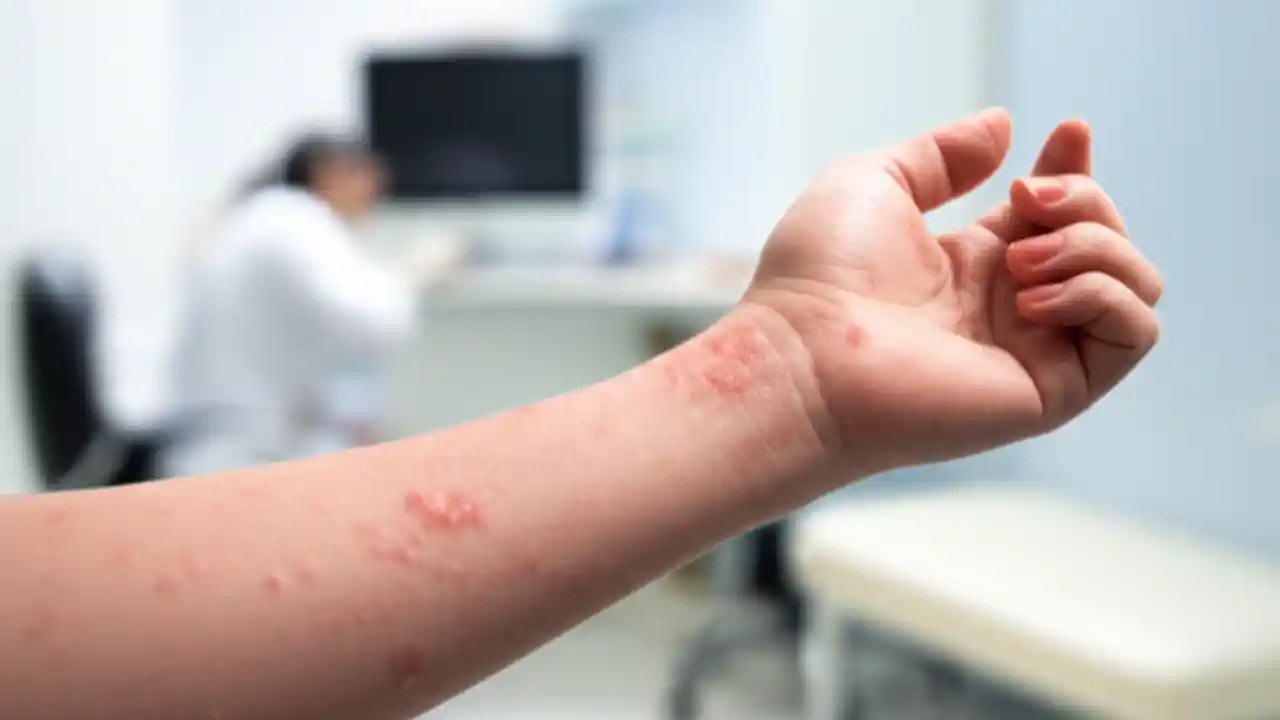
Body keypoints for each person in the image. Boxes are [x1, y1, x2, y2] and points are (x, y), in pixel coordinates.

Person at [0, 110, 1162, 719]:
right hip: (215, 455)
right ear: (334, 174)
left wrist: (790, 377)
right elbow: (376, 322)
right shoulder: (292, 228)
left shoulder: (259, 225)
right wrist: (789, 382)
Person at [162, 133, 415, 477]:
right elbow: (375, 321)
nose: (376, 197)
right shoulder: (295, 220)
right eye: (370, 181)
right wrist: (413, 274)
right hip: (242, 449)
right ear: (328, 173)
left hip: (228, 438)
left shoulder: (256, 218)